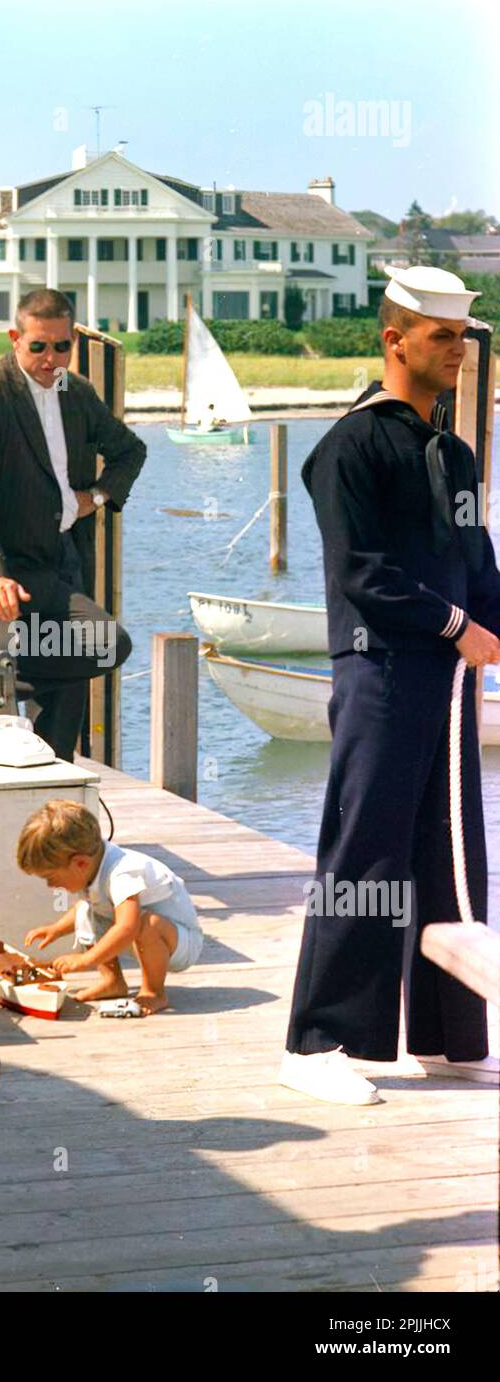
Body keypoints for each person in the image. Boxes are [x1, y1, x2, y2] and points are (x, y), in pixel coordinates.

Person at [279, 265, 500, 1107]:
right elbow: (363, 574)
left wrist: (485, 626)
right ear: (394, 338)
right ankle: (315, 1043)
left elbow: (477, 571)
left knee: (446, 856)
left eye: (462, 339)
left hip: (442, 687)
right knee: (362, 853)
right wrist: (459, 629)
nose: (454, 352)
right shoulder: (348, 446)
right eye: (440, 336)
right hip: (376, 673)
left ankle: (443, 1037)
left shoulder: (453, 454)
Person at [0, 288, 146, 760]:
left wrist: (96, 496)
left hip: (66, 559)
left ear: (73, 341)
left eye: (61, 346)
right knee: (107, 642)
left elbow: (129, 450)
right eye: (38, 346)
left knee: (65, 707)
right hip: (14, 565)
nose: (50, 357)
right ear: (16, 338)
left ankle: (52, 796)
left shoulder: (74, 392)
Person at [19, 800, 203, 1015]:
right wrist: (58, 928)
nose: (50, 886)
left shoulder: (122, 872)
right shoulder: (92, 867)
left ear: (80, 863)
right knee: (87, 910)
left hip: (182, 944)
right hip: (148, 940)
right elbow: (87, 907)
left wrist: (86, 959)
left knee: (146, 924)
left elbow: (127, 927)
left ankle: (154, 992)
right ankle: (112, 982)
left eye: (50, 878)